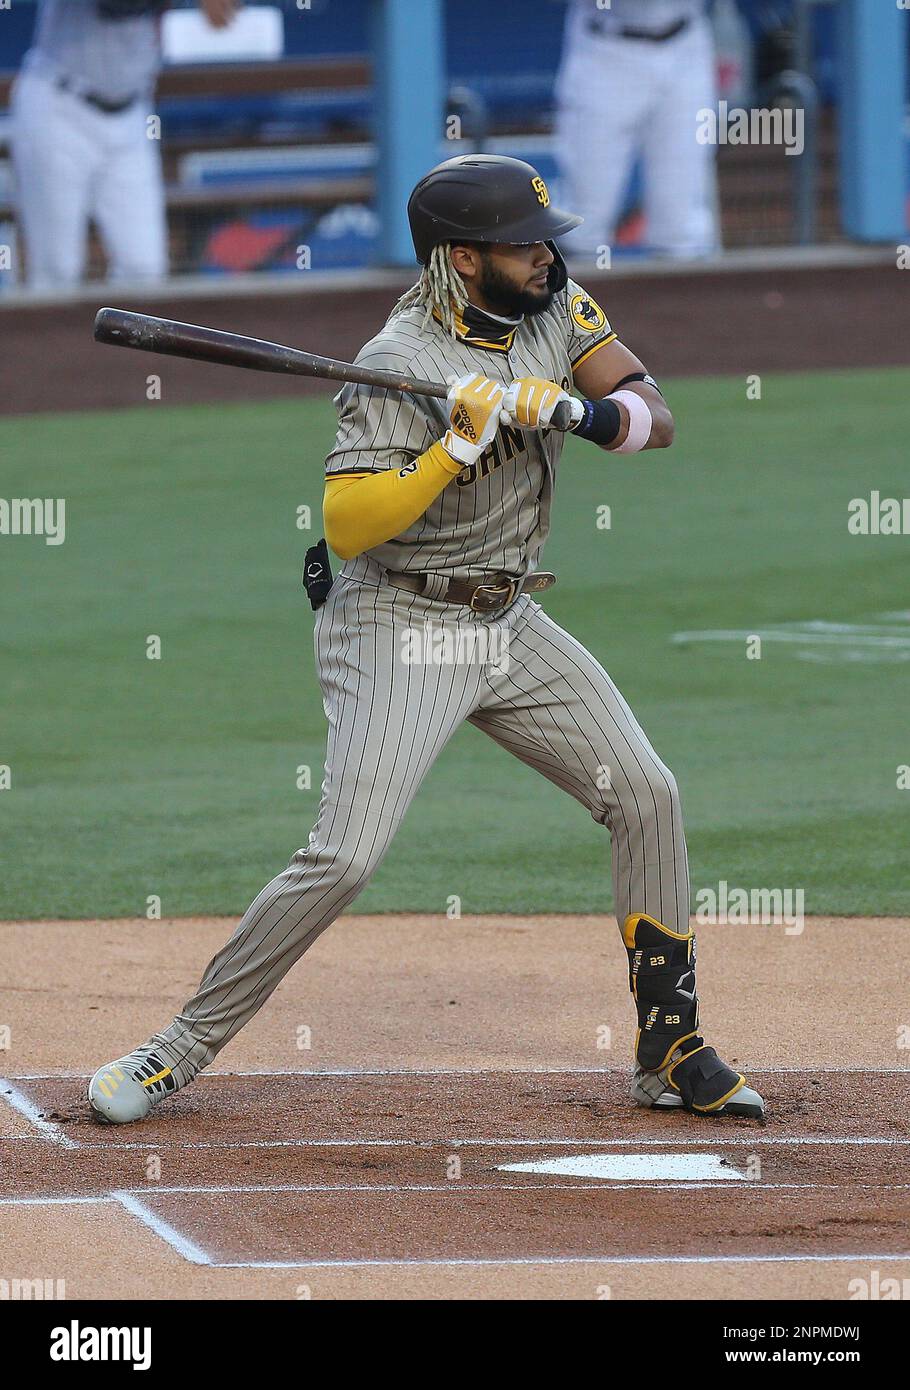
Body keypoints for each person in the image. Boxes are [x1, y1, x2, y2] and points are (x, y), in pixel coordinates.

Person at [88, 154, 764, 1125]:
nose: (546, 253)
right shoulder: (399, 361)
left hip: (507, 615)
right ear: (460, 257)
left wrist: (573, 410)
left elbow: (655, 417)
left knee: (647, 794)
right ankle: (175, 1049)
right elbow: (349, 526)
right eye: (522, 241)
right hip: (398, 618)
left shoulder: (556, 308)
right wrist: (453, 446)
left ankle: (670, 1048)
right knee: (346, 857)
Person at [9, 0, 239, 290]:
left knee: (144, 270)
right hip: (60, 106)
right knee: (56, 271)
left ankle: (110, 336)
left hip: (131, 114)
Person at [554, 0, 722, 260]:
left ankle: (681, 298)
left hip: (686, 43)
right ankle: (571, 300)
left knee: (682, 224)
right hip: (606, 47)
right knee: (583, 219)